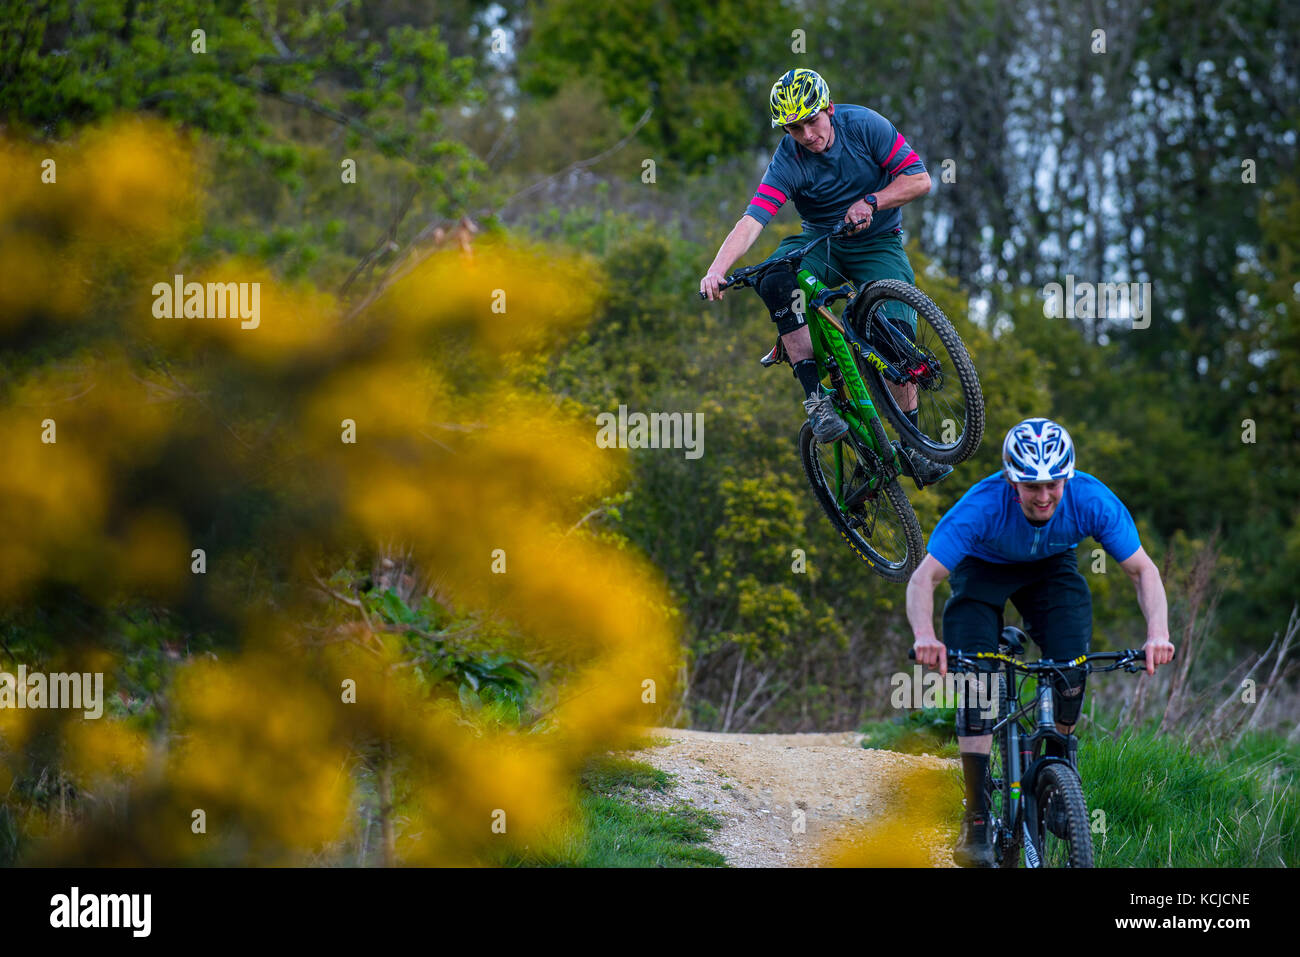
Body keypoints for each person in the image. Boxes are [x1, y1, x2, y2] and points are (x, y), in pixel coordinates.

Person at [905, 417, 1176, 867]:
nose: (1044, 495)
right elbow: (923, 578)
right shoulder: (982, 506)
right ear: (1011, 479)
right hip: (982, 570)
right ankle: (976, 814)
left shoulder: (1091, 499)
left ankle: (1057, 782)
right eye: (1031, 486)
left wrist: (1157, 634)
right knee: (979, 683)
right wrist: (925, 637)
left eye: (1053, 484)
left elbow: (1142, 570)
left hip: (1051, 570)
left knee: (1071, 666)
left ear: (1067, 477)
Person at [699, 68, 950, 488]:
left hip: (878, 242)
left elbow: (920, 179)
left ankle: (912, 446)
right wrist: (716, 269)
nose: (807, 134)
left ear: (829, 109)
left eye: (812, 121)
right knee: (775, 276)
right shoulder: (788, 159)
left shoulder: (866, 126)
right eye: (795, 127)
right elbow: (753, 219)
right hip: (822, 243)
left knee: (897, 345)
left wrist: (872, 200)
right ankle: (817, 399)